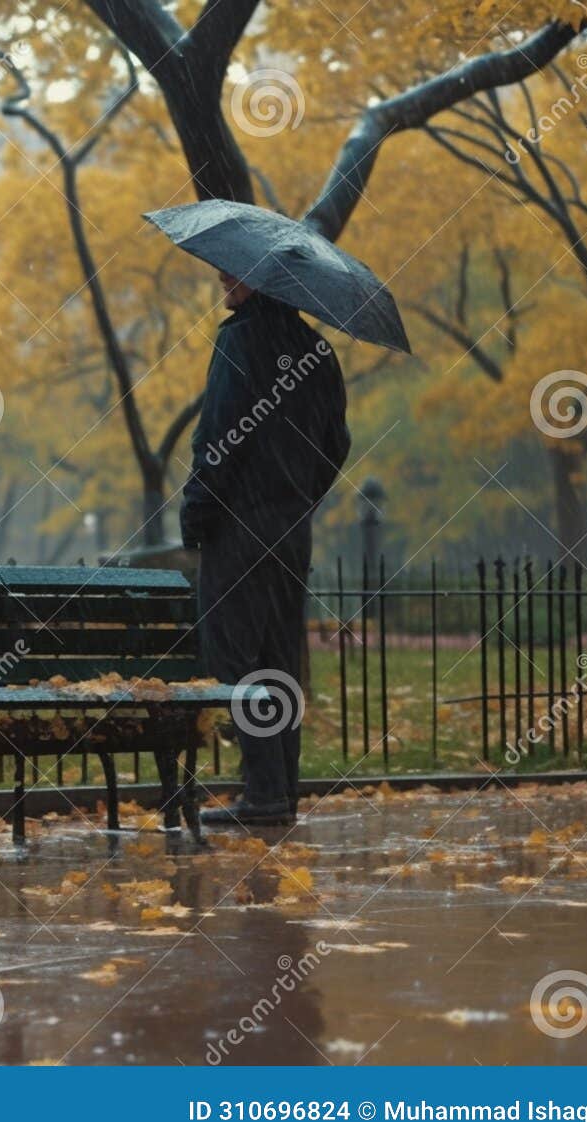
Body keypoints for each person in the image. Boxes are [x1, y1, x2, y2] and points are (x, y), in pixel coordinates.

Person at [181, 272, 350, 824]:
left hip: (237, 525)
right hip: (289, 527)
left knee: (235, 658)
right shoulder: (316, 350)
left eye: (235, 273)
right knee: (278, 657)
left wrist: (198, 511)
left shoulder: (240, 340)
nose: (222, 277)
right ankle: (279, 790)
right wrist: (298, 494)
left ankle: (262, 792)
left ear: (266, 281)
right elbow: (337, 444)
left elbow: (219, 434)